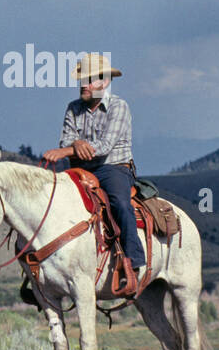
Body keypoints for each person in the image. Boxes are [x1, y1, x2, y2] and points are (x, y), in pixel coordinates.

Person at [41, 53, 146, 287]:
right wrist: (74, 145)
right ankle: (44, 266)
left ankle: (133, 262)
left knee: (119, 202)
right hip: (80, 169)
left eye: (89, 80)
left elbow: (103, 147)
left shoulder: (119, 107)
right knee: (52, 201)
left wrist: (69, 150)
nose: (84, 85)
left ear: (105, 82)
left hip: (112, 168)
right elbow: (67, 139)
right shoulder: (73, 108)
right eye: (82, 80)